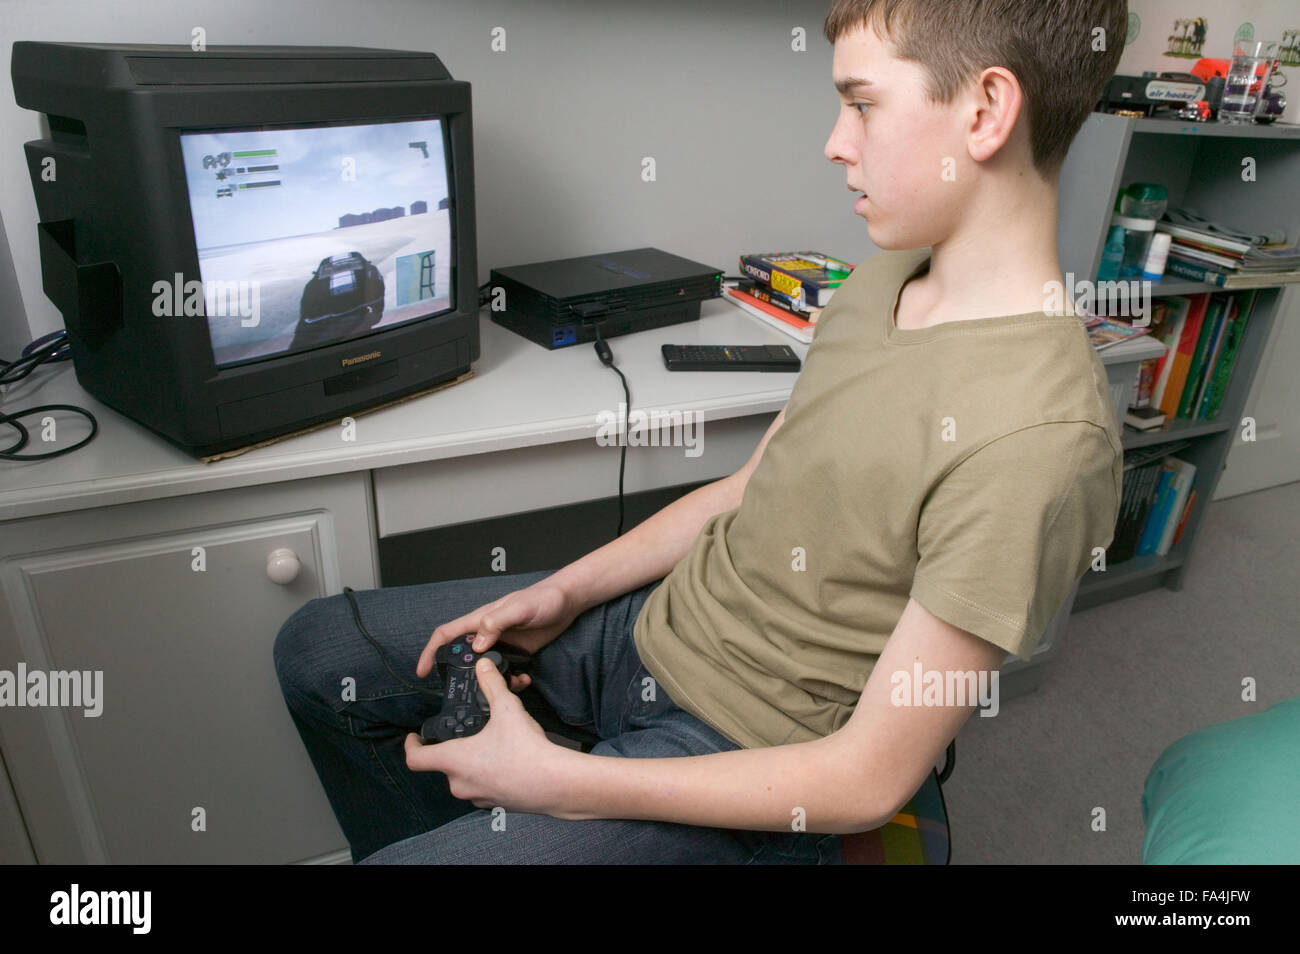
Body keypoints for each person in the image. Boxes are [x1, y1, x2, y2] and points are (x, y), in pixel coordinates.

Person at [274, 0, 1127, 864]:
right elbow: (748, 488)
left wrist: (559, 786)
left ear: (985, 111)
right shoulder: (883, 280)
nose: (837, 143)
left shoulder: (1043, 440)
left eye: (863, 104)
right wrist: (565, 594)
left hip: (752, 749)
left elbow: (868, 780)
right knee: (317, 651)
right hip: (648, 631)